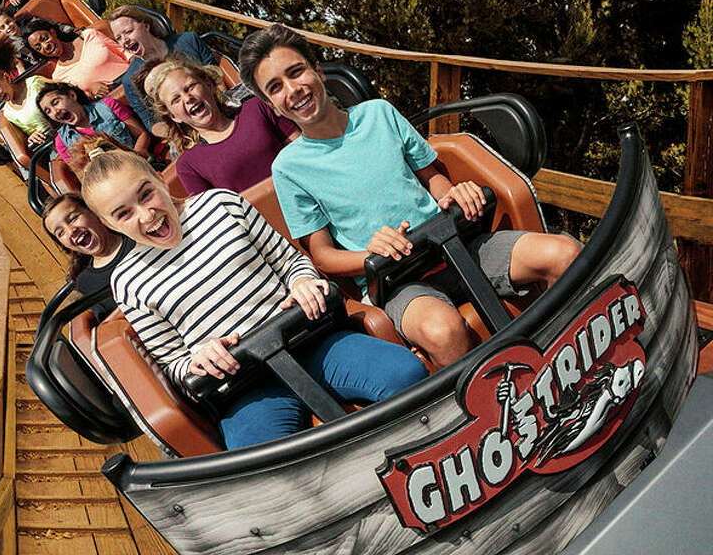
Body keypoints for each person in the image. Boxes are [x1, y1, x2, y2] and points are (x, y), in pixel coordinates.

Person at [240, 24, 580, 368]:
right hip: (398, 280)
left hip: (454, 244)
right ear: (272, 106)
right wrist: (370, 253)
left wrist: (454, 195)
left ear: (318, 70)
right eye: (275, 87)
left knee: (564, 253)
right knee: (444, 331)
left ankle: (575, 365)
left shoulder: (379, 113)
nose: (292, 90)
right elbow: (323, 255)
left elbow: (432, 178)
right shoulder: (289, 168)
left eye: (296, 72)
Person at [81, 149, 427, 450]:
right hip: (247, 386)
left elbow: (291, 263)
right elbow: (173, 364)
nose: (146, 215)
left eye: (146, 195)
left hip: (309, 343)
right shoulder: (129, 282)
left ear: (160, 180)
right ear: (109, 224)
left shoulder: (221, 205)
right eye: (124, 214)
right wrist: (198, 360)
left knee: (404, 373)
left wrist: (303, 282)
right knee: (265, 462)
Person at [145, 57, 295, 196]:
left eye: (190, 87)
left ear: (209, 85)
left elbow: (302, 148)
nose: (188, 98)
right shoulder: (188, 164)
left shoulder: (257, 108)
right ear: (173, 116)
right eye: (176, 99)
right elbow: (217, 212)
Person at [105, 4, 218, 128]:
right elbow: (152, 123)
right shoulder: (130, 80)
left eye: (128, 32)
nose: (124, 40)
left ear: (146, 26)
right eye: (118, 38)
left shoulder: (188, 40)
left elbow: (216, 78)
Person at [42, 192, 130, 319]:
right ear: (63, 245)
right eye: (61, 233)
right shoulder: (85, 283)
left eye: (73, 219)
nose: (71, 231)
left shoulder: (135, 236)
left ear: (93, 211)